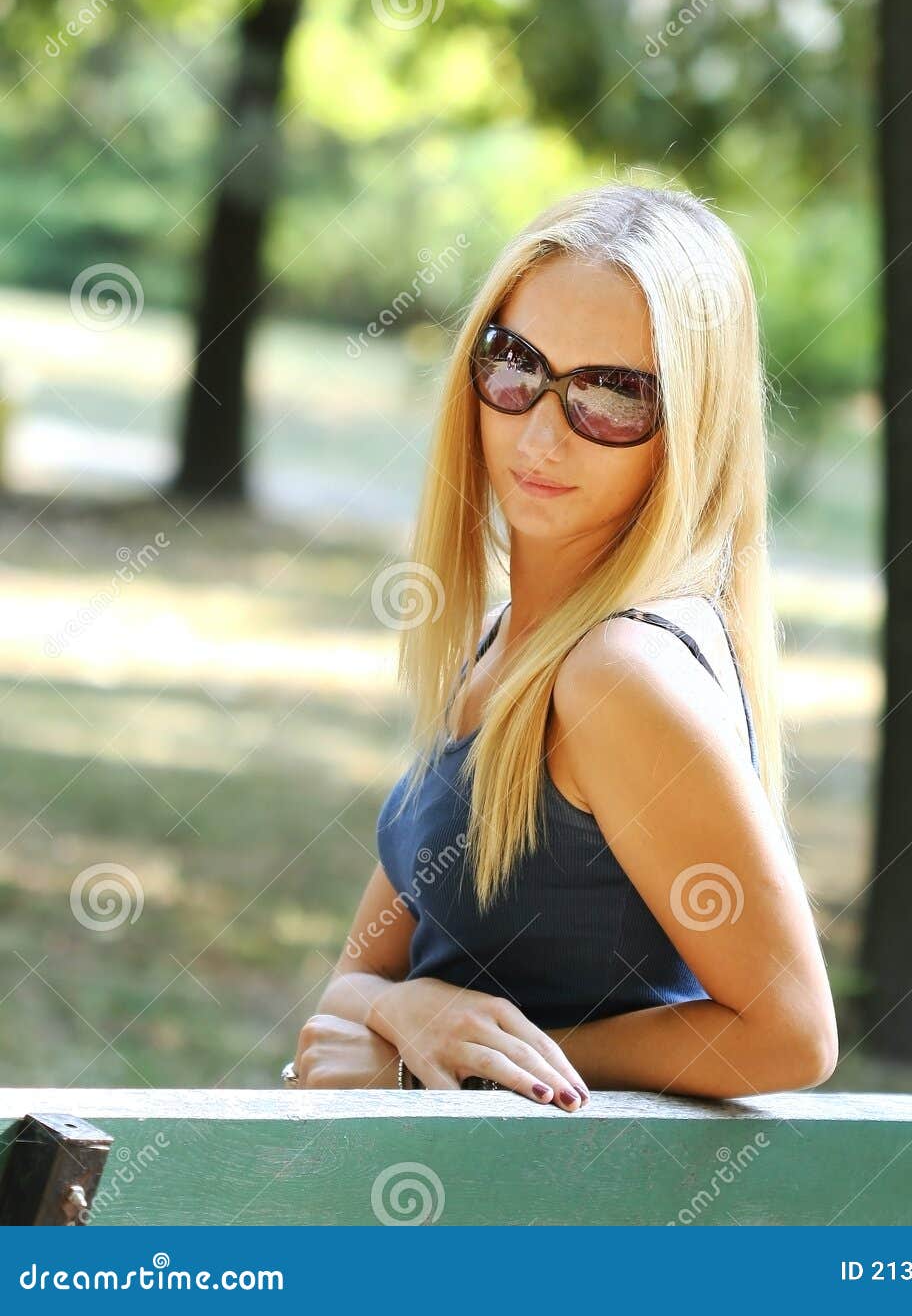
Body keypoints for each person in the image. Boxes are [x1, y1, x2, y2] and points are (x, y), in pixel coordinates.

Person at [290, 180, 837, 1106]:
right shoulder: (506, 644)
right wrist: (408, 1011)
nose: (540, 435)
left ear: (693, 422)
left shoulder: (618, 675)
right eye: (514, 365)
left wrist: (468, 1065)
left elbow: (790, 1036)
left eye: (613, 393)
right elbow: (351, 988)